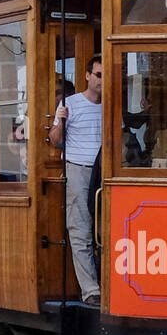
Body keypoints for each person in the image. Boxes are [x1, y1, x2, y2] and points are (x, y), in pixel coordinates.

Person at [49, 56, 106, 302]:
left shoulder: (112, 104)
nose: (101, 80)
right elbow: (54, 139)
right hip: (78, 168)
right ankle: (91, 290)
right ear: (87, 76)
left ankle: (110, 286)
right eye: (98, 75)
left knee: (107, 229)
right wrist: (60, 119)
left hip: (105, 170)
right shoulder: (70, 103)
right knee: (80, 229)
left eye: (105, 76)